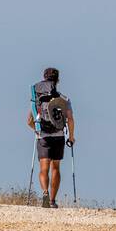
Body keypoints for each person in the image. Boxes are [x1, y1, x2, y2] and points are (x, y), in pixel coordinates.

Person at [27, 66, 75, 208]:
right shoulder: (64, 99)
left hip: (43, 136)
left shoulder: (37, 99)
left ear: (44, 78)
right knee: (56, 168)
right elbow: (70, 119)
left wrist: (36, 130)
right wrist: (71, 137)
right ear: (57, 80)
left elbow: (29, 120)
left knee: (43, 169)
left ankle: (45, 192)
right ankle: (53, 201)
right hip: (59, 136)